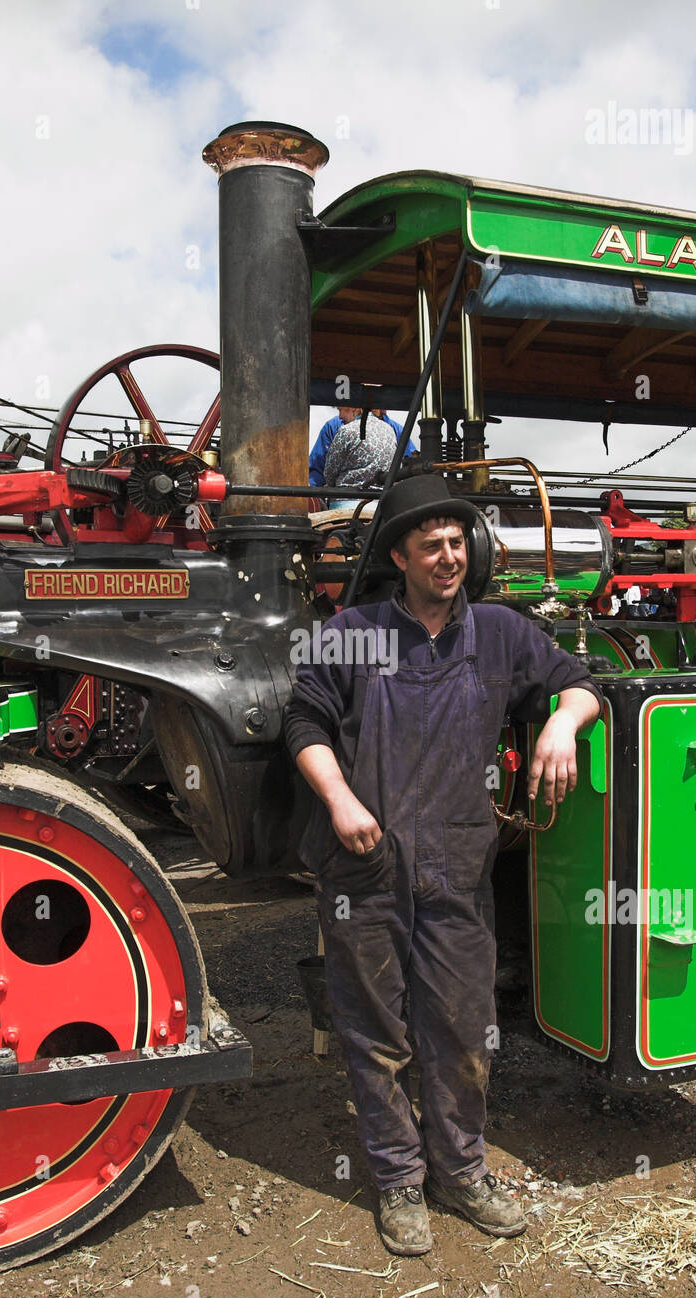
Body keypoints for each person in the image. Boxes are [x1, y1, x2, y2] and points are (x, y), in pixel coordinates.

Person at [283, 474, 601, 1256]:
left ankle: (459, 1171)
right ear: (400, 554)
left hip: (458, 869)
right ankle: (396, 1179)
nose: (451, 556)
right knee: (376, 1032)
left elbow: (579, 684)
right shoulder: (352, 630)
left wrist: (563, 724)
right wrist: (339, 799)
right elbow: (303, 722)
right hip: (367, 869)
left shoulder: (499, 632)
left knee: (463, 1029)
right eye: (433, 544)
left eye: (460, 542)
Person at [309, 406, 415, 490]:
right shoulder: (391, 430)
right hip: (383, 501)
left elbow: (329, 474)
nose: (340, 416)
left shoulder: (344, 430)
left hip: (346, 500)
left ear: (354, 408)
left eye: (340, 410)